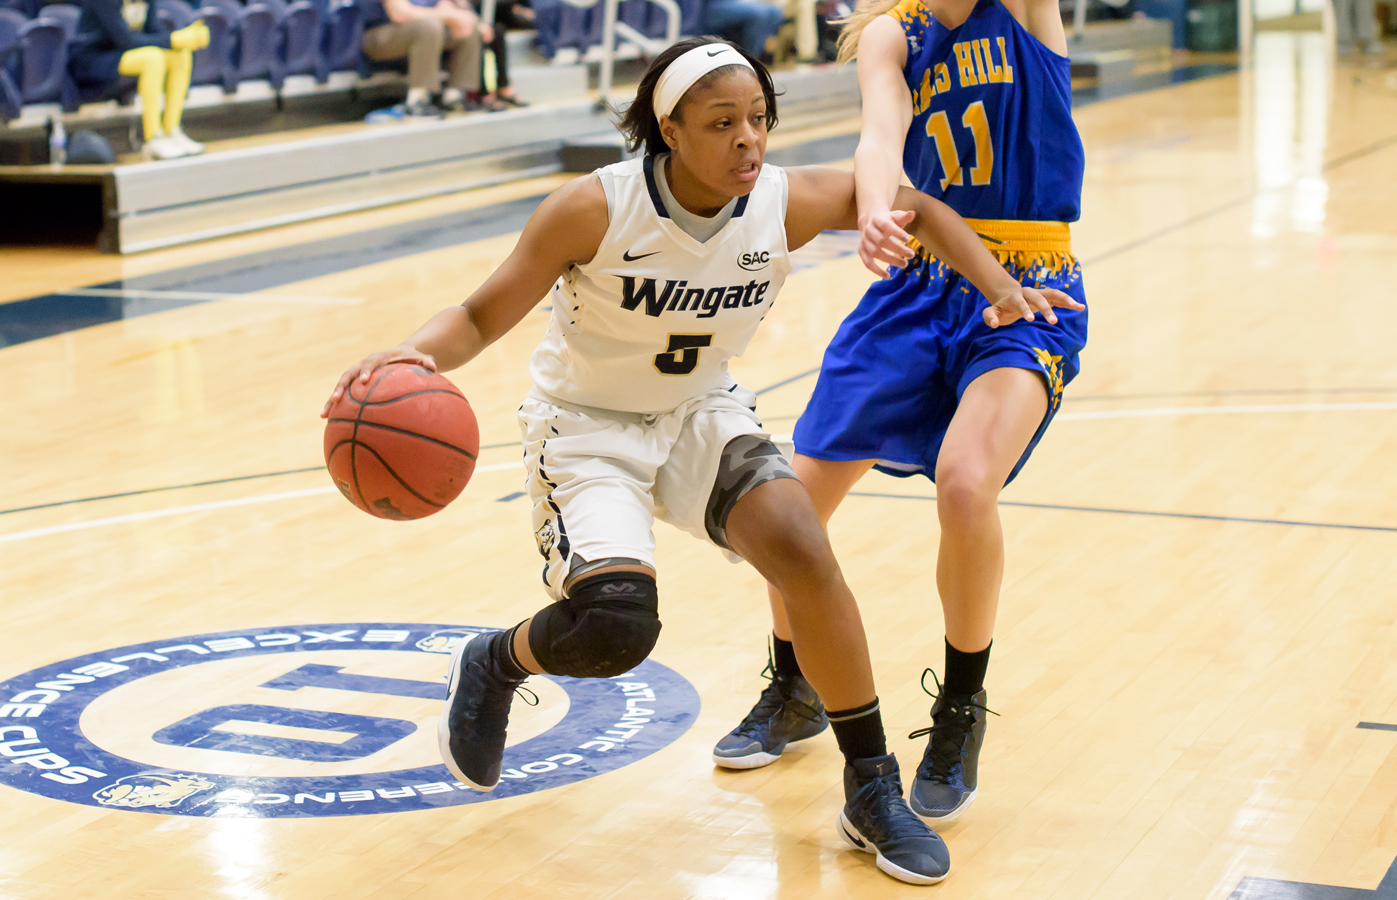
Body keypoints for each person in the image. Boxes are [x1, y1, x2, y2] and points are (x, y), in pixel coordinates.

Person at [323, 37, 1075, 885]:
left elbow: (922, 209)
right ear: (668, 129)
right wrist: (407, 355)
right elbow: (476, 314)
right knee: (616, 627)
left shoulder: (782, 202)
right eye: (723, 123)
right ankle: (495, 661)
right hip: (586, 429)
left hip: (698, 413)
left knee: (803, 546)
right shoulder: (592, 209)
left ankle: (871, 788)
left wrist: (999, 289)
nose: (748, 139)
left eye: (758, 119)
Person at [713, 0, 1089, 830]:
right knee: (787, 511)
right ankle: (794, 685)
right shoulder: (894, 30)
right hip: (918, 287)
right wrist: (877, 209)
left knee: (964, 485)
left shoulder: (1022, 14)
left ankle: (959, 707)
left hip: (1026, 289)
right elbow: (879, 137)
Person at [67, 0, 210, 159]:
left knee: (181, 55)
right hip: (94, 59)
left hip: (126, 54)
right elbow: (124, 40)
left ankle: (172, 131)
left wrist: (185, 37)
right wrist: (173, 39)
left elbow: (153, 32)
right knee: (153, 58)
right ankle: (153, 137)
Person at [360, 0, 502, 116]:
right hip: (378, 35)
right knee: (430, 26)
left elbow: (446, 7)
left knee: (469, 29)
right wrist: (446, 15)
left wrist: (464, 17)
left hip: (422, 28)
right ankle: (417, 100)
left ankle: (456, 97)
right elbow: (400, 14)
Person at [702, 0, 786, 58]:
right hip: (712, 7)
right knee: (757, 13)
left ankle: (763, 49)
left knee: (775, 12)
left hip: (735, 3)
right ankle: (750, 58)